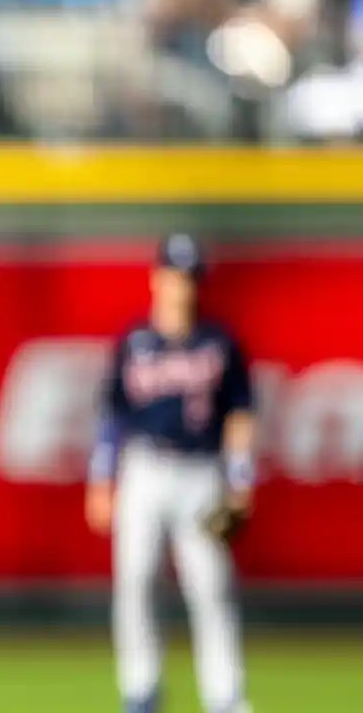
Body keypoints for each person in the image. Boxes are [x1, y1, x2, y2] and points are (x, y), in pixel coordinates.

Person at [86, 233, 257, 713]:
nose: (182, 286)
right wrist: (102, 480)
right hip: (144, 469)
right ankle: (141, 691)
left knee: (211, 586)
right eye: (175, 275)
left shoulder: (219, 343)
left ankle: (225, 695)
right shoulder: (134, 342)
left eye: (190, 277)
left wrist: (241, 480)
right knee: (135, 581)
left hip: (202, 472)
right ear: (156, 278)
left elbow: (241, 416)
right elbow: (112, 416)